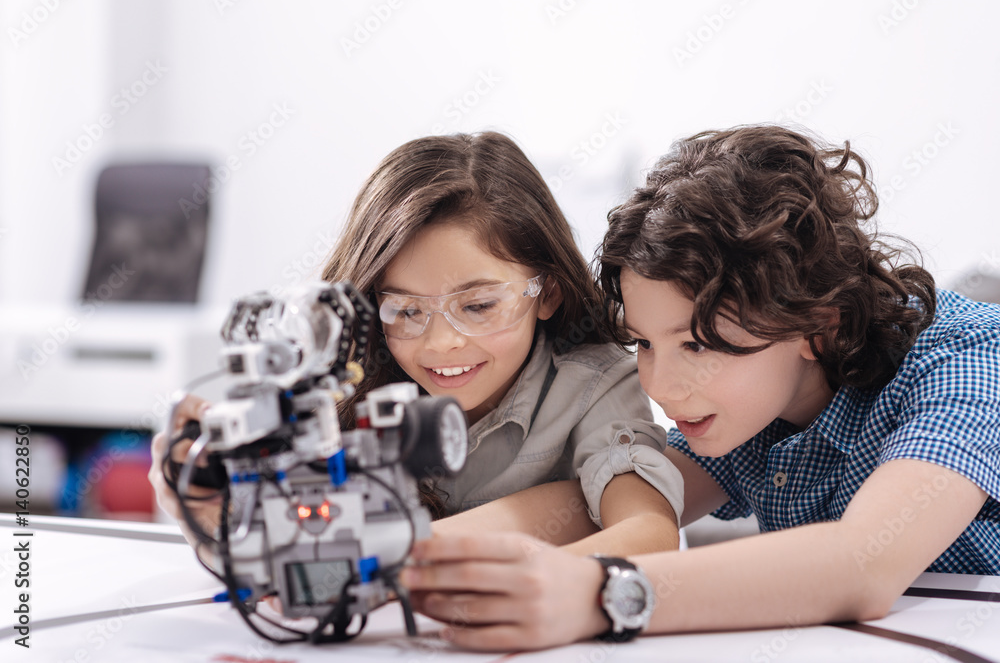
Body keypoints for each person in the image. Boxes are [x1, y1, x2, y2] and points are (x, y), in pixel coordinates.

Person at [397, 125, 1000, 651]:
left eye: (698, 345)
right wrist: (402, 554)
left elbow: (862, 565)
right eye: (645, 344)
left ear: (818, 328)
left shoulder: (963, 364)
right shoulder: (751, 401)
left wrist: (597, 592)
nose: (662, 386)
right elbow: (606, 494)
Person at [149, 131, 684, 557]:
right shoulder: (340, 392)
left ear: (547, 293)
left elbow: (650, 535)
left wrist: (410, 555)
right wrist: (204, 510)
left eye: (478, 306)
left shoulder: (594, 384)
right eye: (405, 311)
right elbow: (273, 559)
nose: (442, 343)